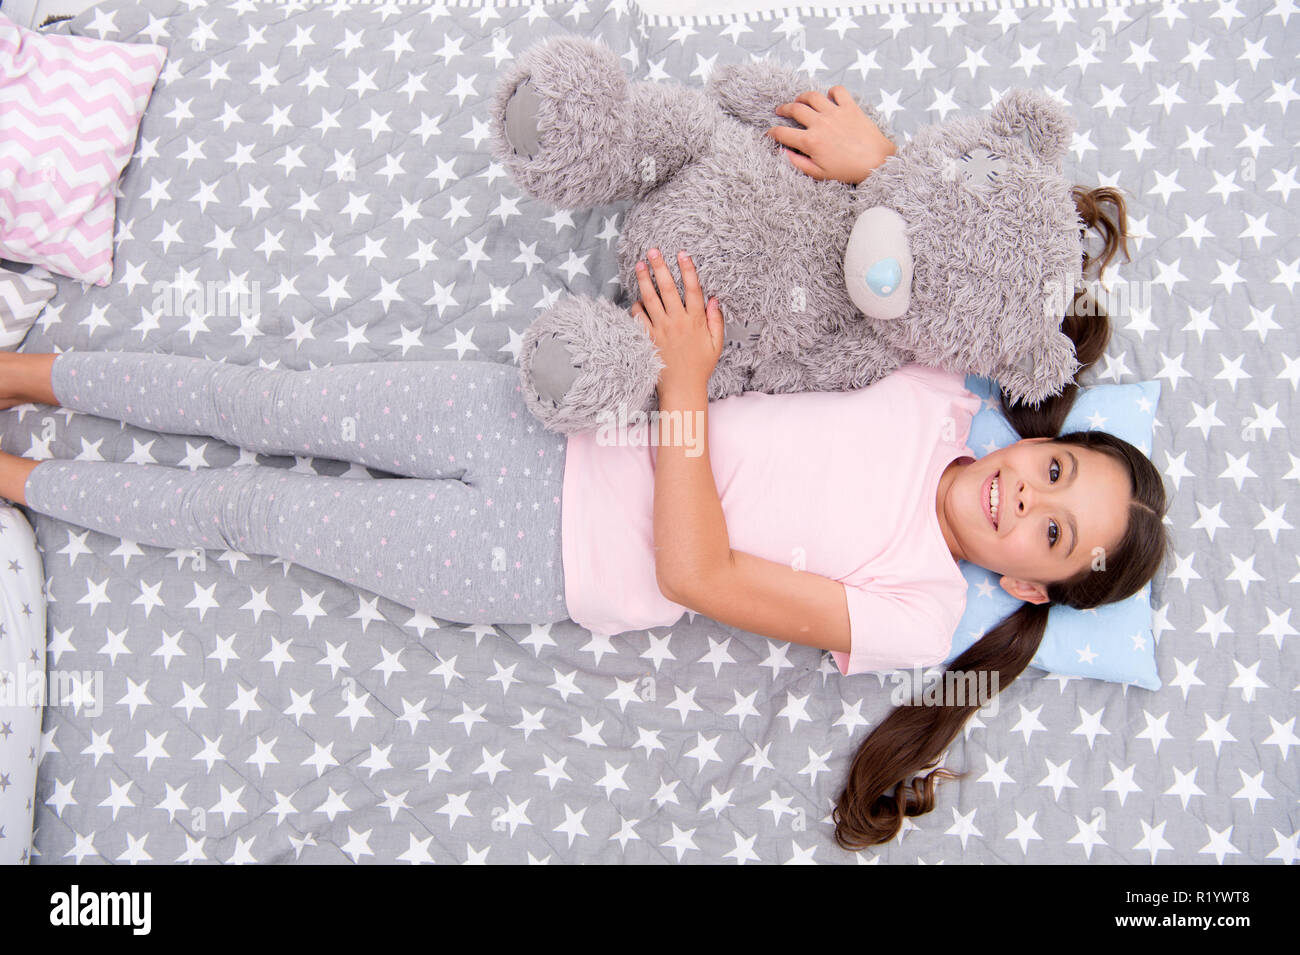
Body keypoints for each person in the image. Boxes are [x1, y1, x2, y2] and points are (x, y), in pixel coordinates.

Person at [0, 84, 1168, 851]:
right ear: (1043, 439)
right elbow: (935, 250)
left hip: (531, 557)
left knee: (250, 513)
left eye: (1053, 536)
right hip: (536, 414)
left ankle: (21, 485)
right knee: (260, 398)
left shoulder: (919, 616)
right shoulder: (939, 396)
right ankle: (20, 372)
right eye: (1060, 470)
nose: (1033, 498)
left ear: (1026, 587)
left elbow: (696, 569)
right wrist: (883, 155)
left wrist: (681, 385)